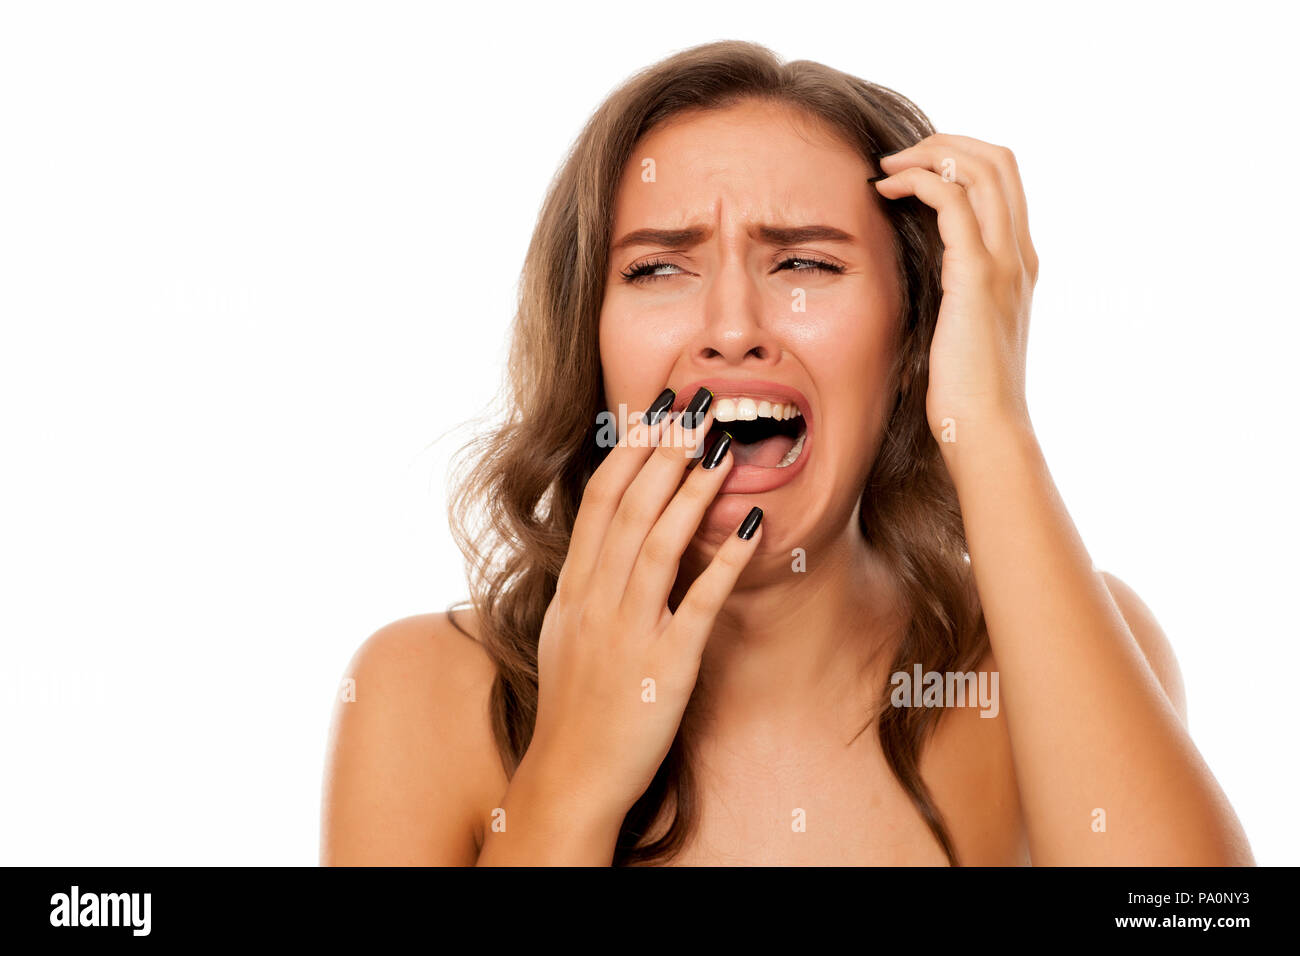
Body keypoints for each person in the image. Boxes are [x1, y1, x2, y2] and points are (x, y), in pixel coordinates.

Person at [320, 40, 1254, 866]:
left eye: (805, 263)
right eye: (658, 267)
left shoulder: (1048, 654)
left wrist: (992, 424)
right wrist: (572, 770)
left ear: (912, 339)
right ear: (590, 339)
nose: (733, 328)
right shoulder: (419, 696)